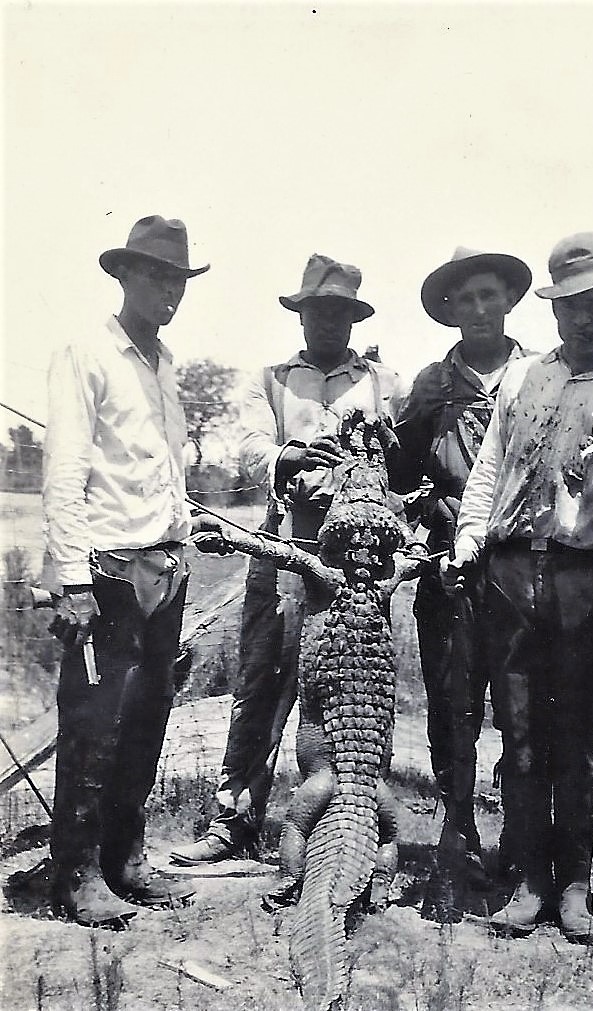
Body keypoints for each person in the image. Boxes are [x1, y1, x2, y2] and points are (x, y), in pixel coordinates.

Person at [443, 232, 593, 942]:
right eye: (569, 305)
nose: (583, 319)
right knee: (518, 732)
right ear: (553, 309)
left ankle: (576, 888)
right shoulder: (519, 377)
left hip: (586, 576)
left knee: (576, 735)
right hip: (509, 569)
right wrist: (468, 541)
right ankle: (525, 879)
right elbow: (489, 468)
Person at [170, 253, 405, 865]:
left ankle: (355, 826)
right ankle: (235, 818)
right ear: (301, 315)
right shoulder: (271, 379)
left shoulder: (384, 383)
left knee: (354, 697)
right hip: (288, 551)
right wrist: (294, 457)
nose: (327, 322)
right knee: (262, 682)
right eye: (317, 310)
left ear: (354, 318)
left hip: (360, 568)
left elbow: (405, 459)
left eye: (339, 312)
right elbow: (249, 448)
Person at [43, 215, 209, 926]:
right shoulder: (87, 353)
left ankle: (124, 857)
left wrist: (186, 530)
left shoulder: (165, 362)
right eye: (154, 275)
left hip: (166, 566)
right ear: (124, 275)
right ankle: (75, 872)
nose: (167, 290)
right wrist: (74, 580)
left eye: (176, 278)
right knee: (94, 725)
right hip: (108, 572)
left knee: (146, 720)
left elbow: (162, 472)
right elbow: (65, 471)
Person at [387, 246, 532, 886]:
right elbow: (401, 470)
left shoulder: (540, 378)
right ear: (449, 310)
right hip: (449, 563)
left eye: (488, 296)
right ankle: (458, 830)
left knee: (522, 701)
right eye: (464, 299)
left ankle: (524, 845)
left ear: (508, 301)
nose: (477, 310)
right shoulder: (431, 386)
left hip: (524, 564)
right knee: (453, 701)